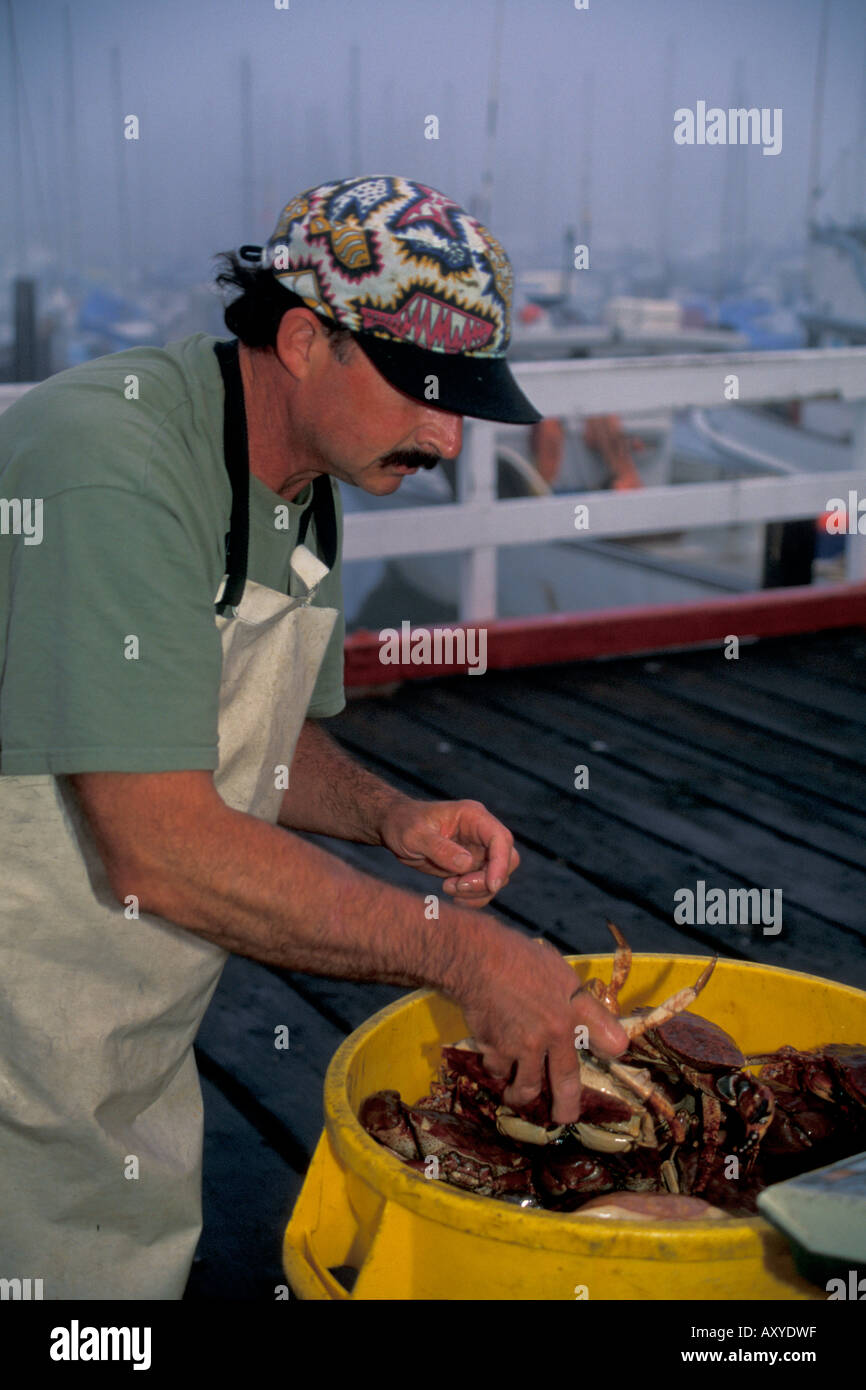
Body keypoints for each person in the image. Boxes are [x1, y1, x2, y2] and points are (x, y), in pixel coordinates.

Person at [0, 175, 627, 1299]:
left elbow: (261, 739)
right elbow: (155, 845)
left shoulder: (307, 478)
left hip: (114, 1033)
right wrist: (467, 951)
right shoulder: (108, 465)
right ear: (303, 339)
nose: (445, 433)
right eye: (425, 391)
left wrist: (389, 813)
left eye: (465, 399)